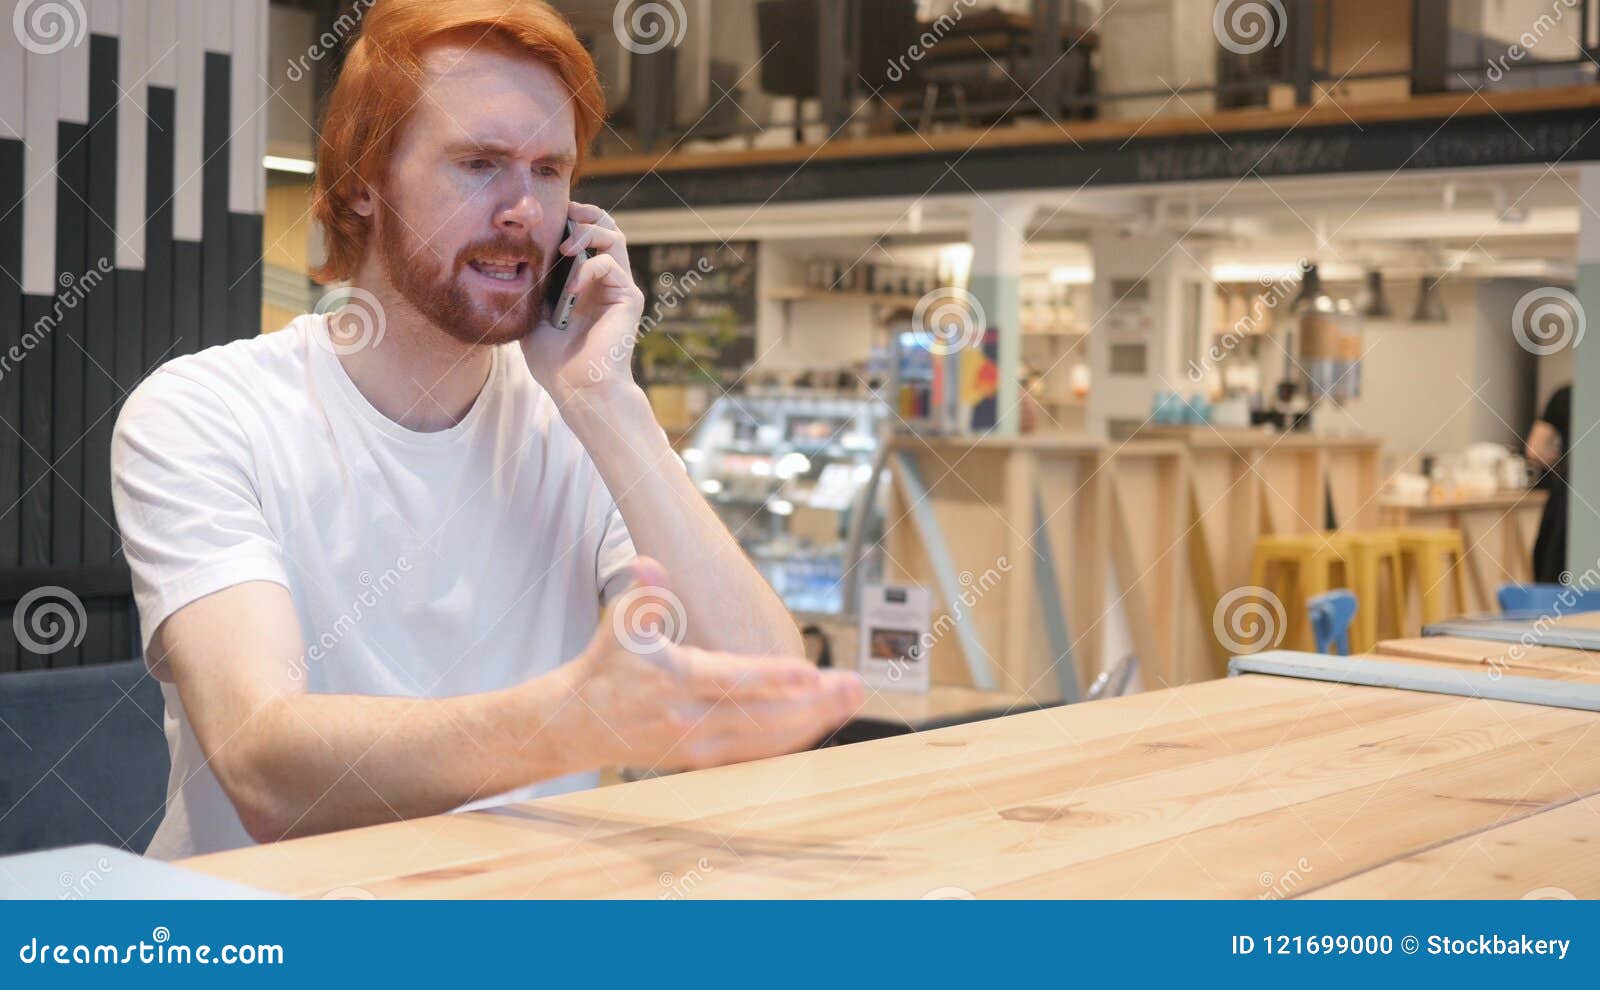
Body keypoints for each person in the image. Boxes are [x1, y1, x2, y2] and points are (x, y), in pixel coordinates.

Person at [110, 0, 864, 860]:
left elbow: (767, 711)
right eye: (479, 163)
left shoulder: (575, 418)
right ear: (362, 180)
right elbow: (265, 767)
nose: (523, 210)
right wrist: (573, 723)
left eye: (550, 171)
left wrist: (607, 406)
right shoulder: (204, 413)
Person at [1526, 384, 1571, 585]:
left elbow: (1535, 450)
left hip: (1566, 497)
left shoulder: (1566, 395)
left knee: (1553, 574)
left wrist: (1562, 465)